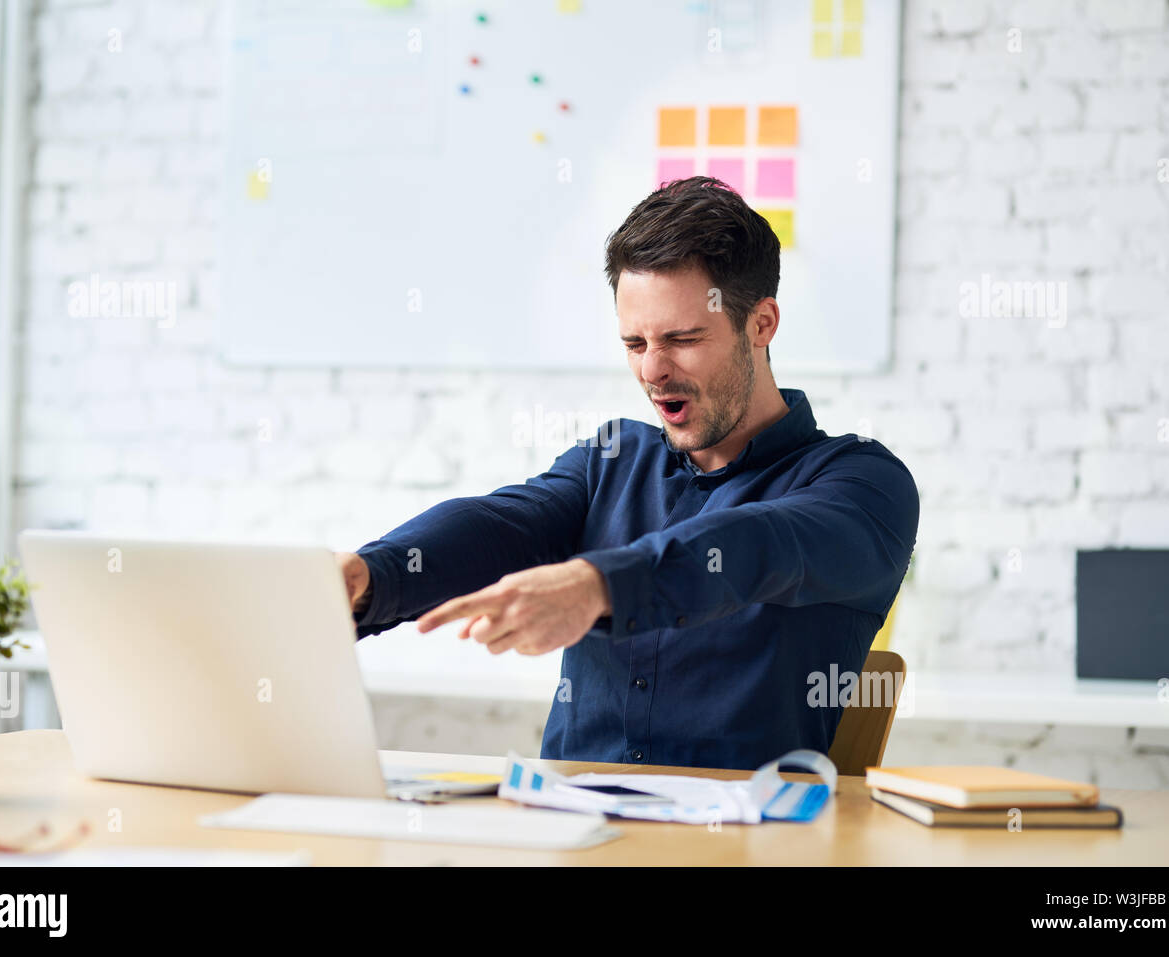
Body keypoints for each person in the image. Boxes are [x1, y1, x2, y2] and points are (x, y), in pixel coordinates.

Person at [337, 177, 918, 770]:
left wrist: (599, 587)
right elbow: (506, 522)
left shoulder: (864, 486)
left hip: (743, 845)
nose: (654, 370)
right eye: (634, 343)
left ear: (761, 324)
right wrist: (370, 575)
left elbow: (757, 545)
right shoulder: (611, 458)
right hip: (567, 832)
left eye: (683, 339)